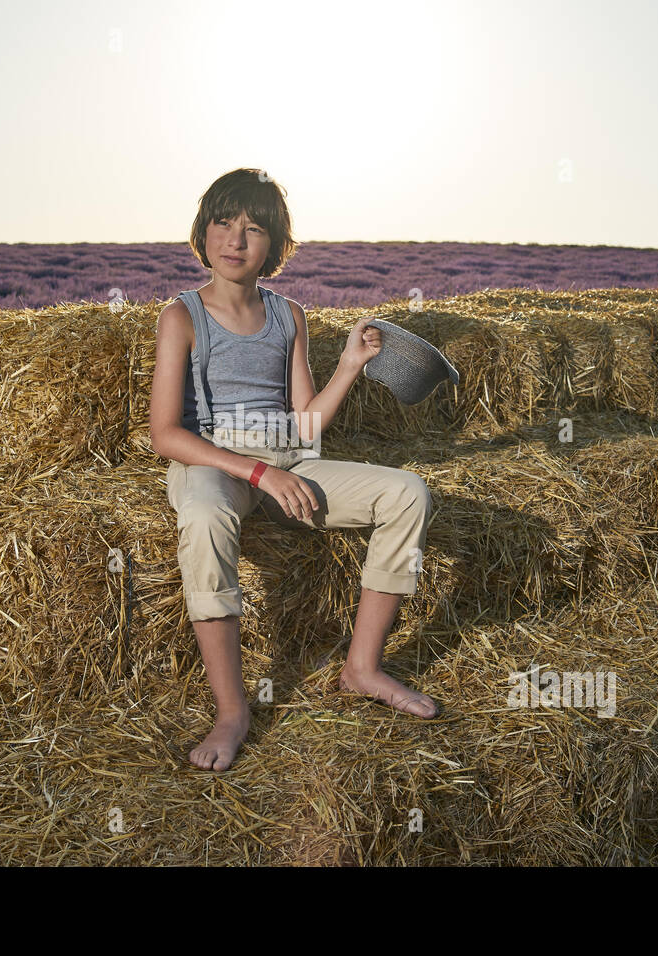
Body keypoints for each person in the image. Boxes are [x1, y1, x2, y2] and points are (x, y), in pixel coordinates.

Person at [149, 168, 439, 772]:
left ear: (274, 247)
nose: (235, 239)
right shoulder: (180, 317)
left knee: (408, 491)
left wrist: (350, 366)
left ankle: (361, 667)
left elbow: (306, 426)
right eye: (223, 224)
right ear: (202, 234)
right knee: (202, 516)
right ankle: (232, 711)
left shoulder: (290, 317)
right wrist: (258, 474)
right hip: (218, 463)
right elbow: (165, 434)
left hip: (289, 455)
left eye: (253, 229)